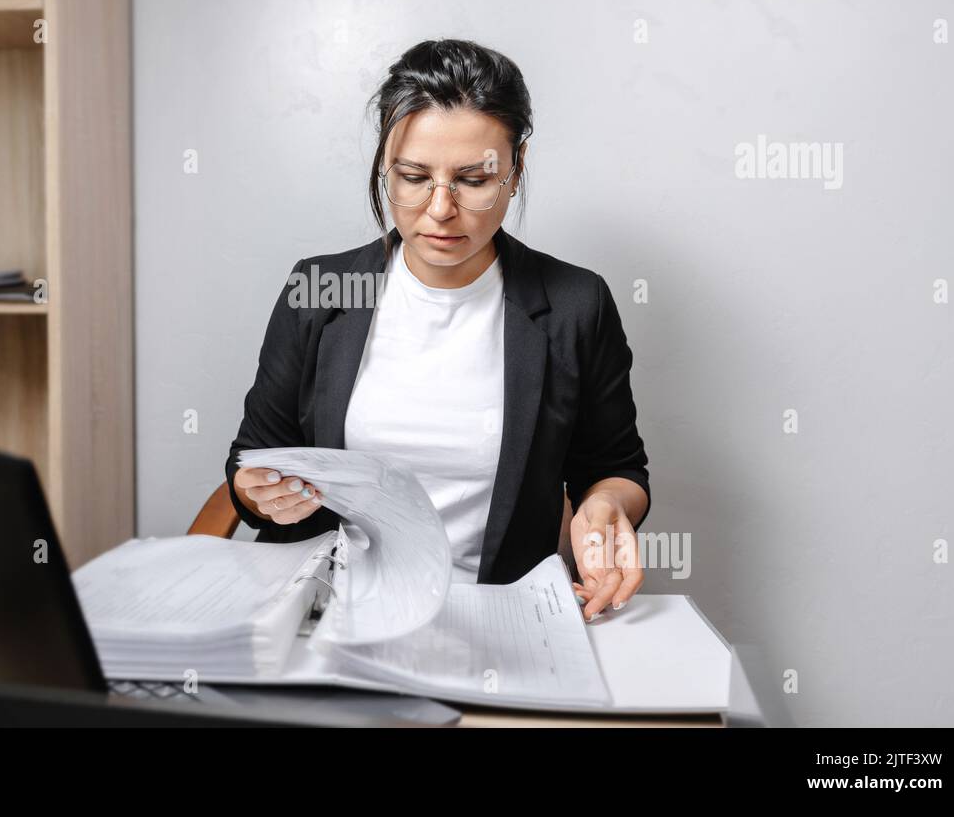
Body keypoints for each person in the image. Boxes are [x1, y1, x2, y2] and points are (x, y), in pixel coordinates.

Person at [226, 39, 650, 621]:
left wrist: (606, 504)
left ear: (516, 170)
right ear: (385, 165)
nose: (441, 208)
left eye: (474, 179)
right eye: (414, 176)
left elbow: (616, 468)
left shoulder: (576, 305)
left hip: (494, 616)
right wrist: (261, 494)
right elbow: (251, 461)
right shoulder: (321, 290)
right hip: (331, 611)